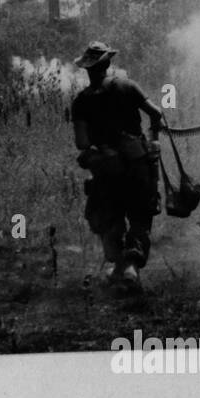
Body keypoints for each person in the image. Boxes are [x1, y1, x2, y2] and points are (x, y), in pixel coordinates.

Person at [70, 41, 166, 288]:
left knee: (109, 216)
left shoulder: (81, 101)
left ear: (87, 69)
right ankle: (130, 267)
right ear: (108, 64)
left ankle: (117, 266)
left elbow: (81, 142)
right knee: (139, 215)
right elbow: (156, 113)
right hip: (137, 163)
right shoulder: (127, 86)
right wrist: (153, 140)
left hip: (106, 168)